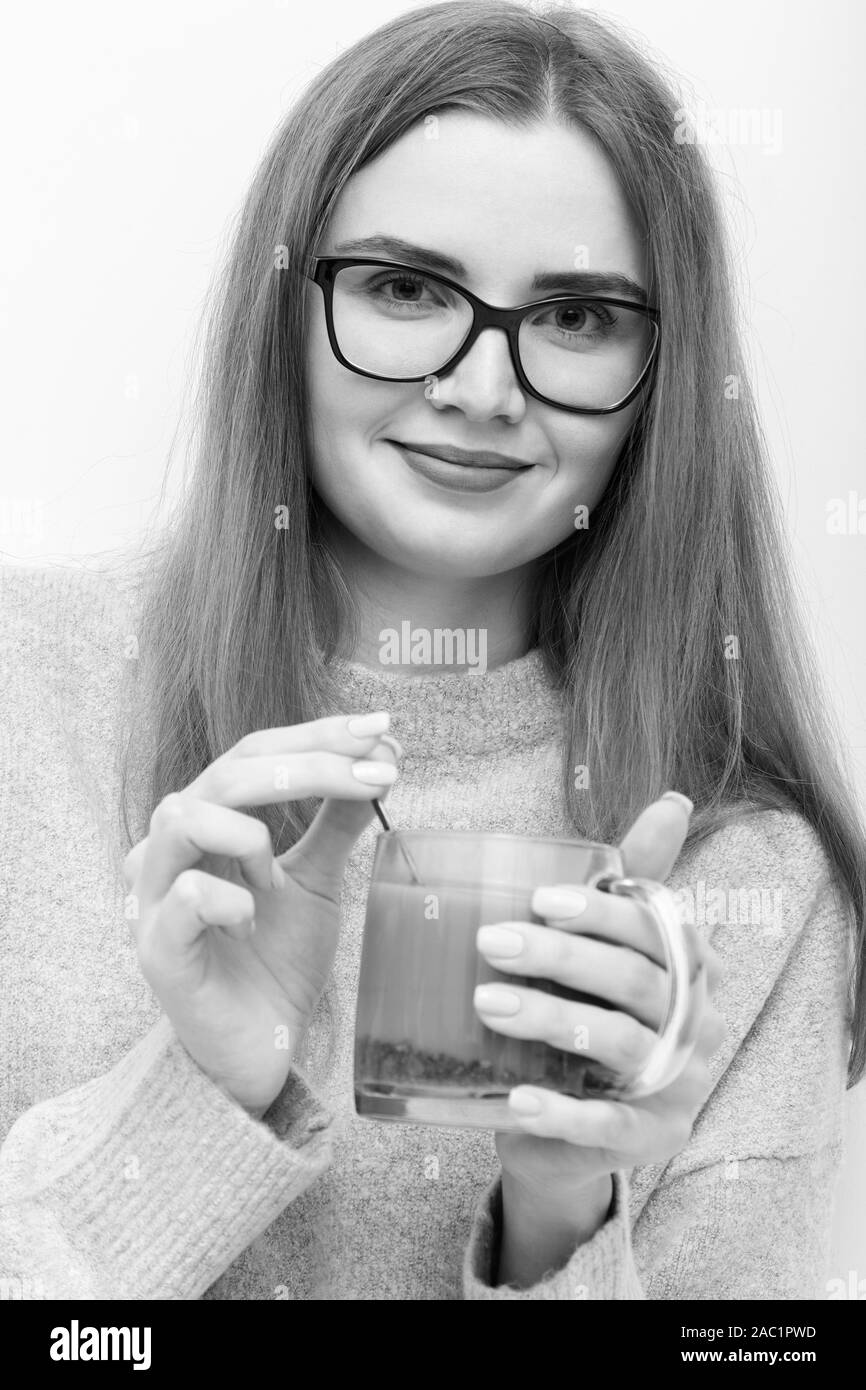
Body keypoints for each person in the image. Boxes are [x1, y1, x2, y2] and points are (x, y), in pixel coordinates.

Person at [1, 0, 863, 1300]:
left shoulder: (747, 877)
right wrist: (203, 1092)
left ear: (660, 378)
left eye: (575, 316)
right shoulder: (24, 693)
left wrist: (562, 1217)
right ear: (283, 305)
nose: (480, 386)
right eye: (405, 289)